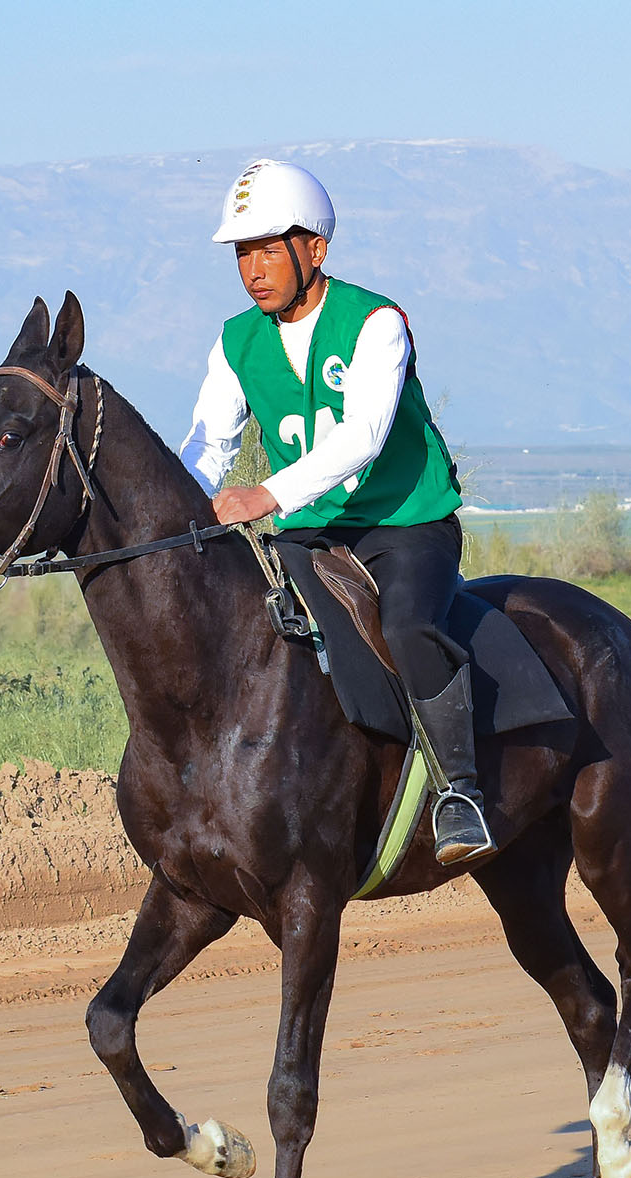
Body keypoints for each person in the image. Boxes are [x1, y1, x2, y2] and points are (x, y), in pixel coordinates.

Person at [178, 159, 493, 865]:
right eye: (241, 253)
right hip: (308, 531)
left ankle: (461, 792)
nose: (252, 268)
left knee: (410, 626)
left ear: (314, 249)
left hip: (405, 522)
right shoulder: (235, 342)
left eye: (267, 248)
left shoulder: (375, 323)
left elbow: (363, 436)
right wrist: (181, 505)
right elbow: (210, 443)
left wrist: (264, 496)